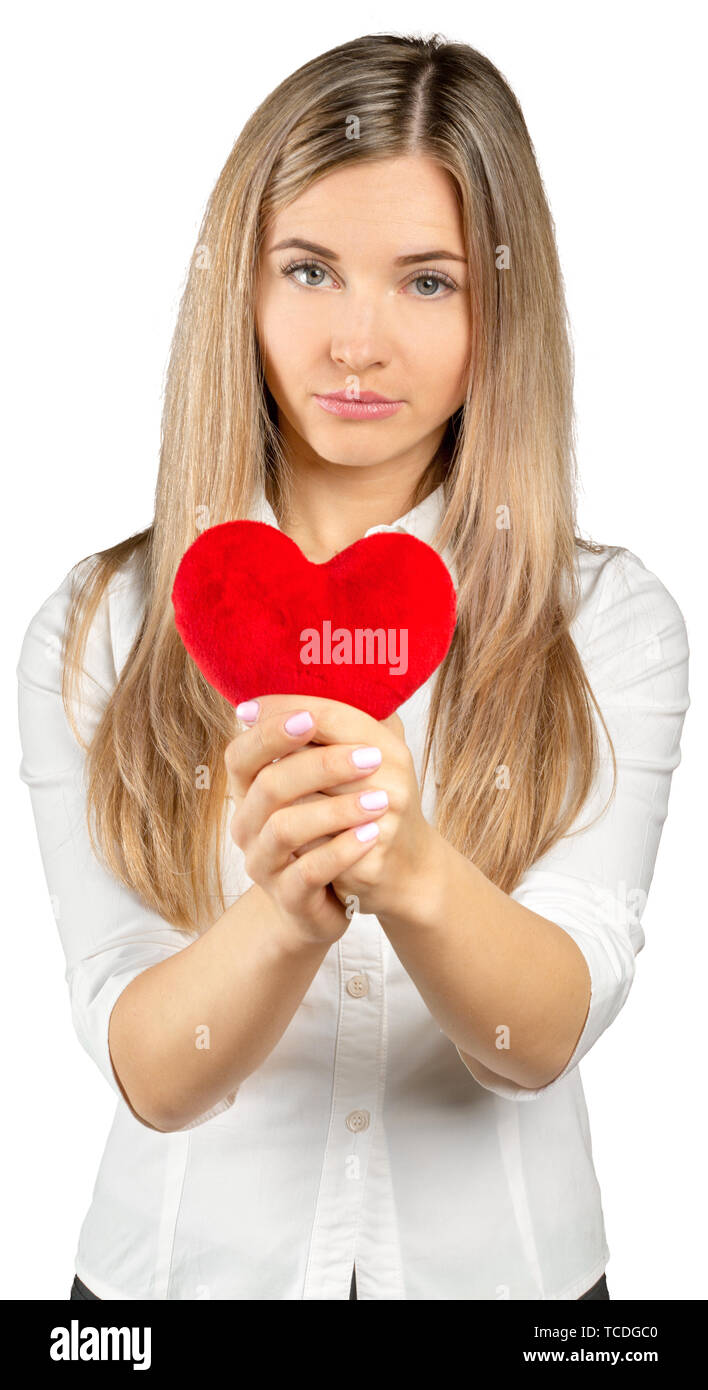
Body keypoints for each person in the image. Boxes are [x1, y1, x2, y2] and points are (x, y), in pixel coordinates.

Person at [17, 33, 689, 1301]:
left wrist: (415, 867)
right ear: (243, 286)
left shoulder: (611, 621)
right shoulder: (96, 623)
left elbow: (538, 1039)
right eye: (311, 270)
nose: (357, 343)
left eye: (429, 282)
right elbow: (154, 1073)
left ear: (503, 300)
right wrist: (280, 915)